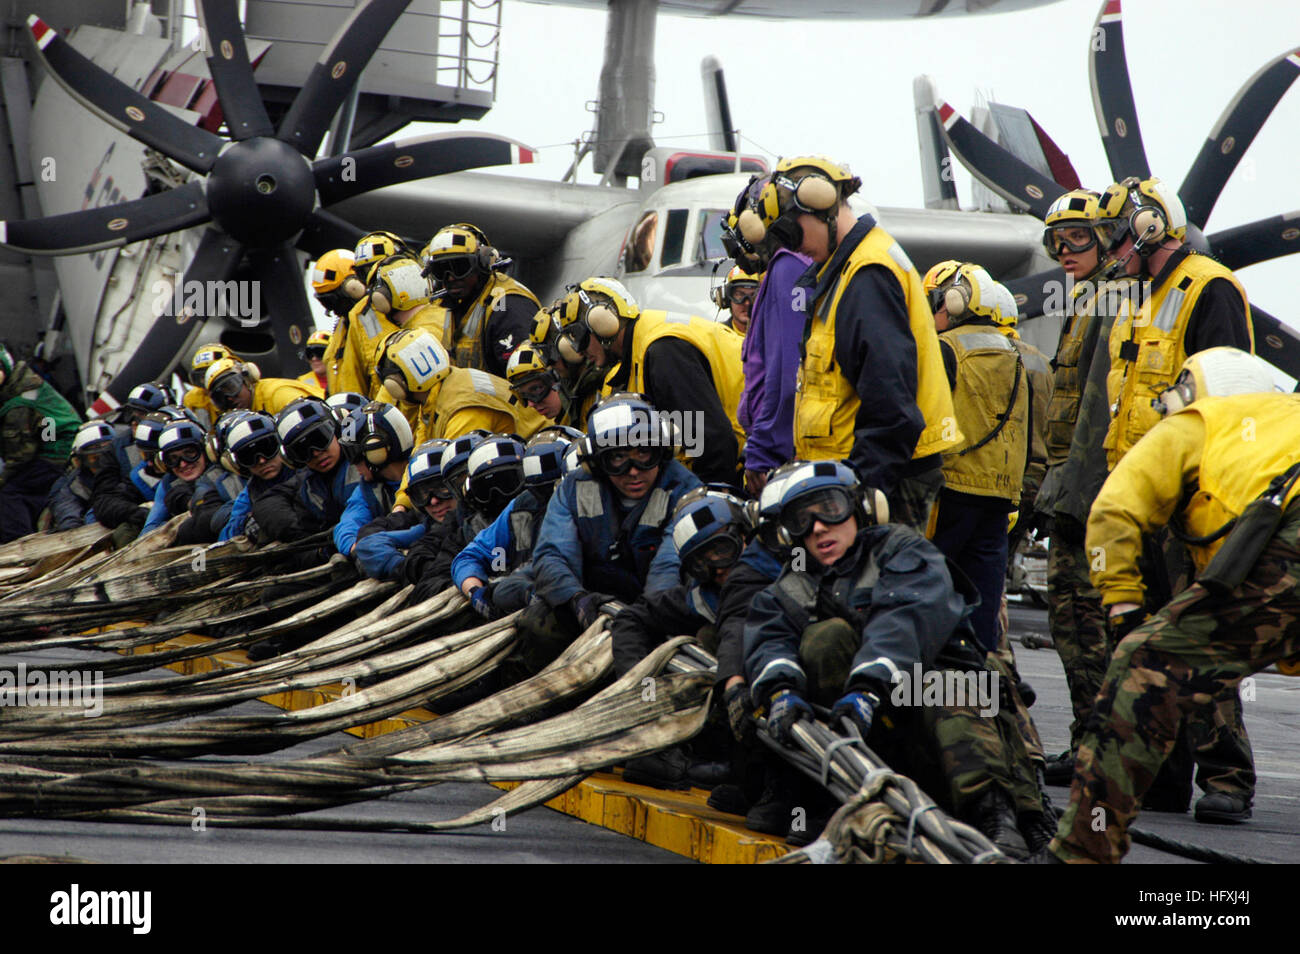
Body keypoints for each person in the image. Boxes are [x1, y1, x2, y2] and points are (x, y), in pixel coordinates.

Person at [1045, 348, 1297, 863]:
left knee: (1144, 665)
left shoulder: (1197, 422)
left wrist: (1123, 607)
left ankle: (1081, 852)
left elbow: (1113, 511)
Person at [742, 459, 1043, 857]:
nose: (818, 528)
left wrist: (868, 689)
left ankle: (995, 818)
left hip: (942, 725)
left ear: (861, 507)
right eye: (801, 519)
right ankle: (825, 801)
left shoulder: (903, 550)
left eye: (829, 509)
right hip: (874, 741)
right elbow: (768, 637)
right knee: (823, 639)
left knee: (952, 688)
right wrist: (780, 691)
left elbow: (905, 616)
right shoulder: (791, 585)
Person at [1093, 176, 1257, 821]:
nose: (1106, 247)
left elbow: (1227, 397)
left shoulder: (1207, 286)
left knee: (1201, 638)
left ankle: (1227, 779)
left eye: (1113, 234)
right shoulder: (1140, 297)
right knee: (1143, 641)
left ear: (1149, 227)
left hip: (1191, 502)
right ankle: (1159, 780)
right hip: (1143, 496)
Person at [734, 156, 960, 530]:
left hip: (880, 478)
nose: (794, 249)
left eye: (792, 234)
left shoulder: (866, 275)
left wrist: (857, 495)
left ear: (821, 206)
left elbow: (891, 404)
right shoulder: (842, 270)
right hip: (856, 472)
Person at [1031, 189, 1120, 784]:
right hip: (1075, 485)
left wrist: (1072, 498)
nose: (1065, 250)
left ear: (1108, 238)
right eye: (1057, 241)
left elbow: (1095, 411)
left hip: (1089, 495)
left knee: (1080, 620)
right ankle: (1095, 747)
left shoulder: (1110, 302)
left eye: (1079, 238)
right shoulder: (1088, 301)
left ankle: (1097, 751)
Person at [527, 394, 702, 670]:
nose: (633, 471)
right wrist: (576, 599)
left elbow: (669, 565)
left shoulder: (685, 490)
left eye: (644, 453)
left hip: (659, 609)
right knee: (537, 620)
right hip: (593, 604)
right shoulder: (573, 488)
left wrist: (642, 622)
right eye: (618, 458)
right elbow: (552, 554)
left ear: (663, 451)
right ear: (597, 462)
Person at [925, 262, 1031, 653]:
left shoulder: (945, 348)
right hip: (1000, 496)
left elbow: (924, 417)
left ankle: (929, 687)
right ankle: (979, 688)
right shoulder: (1015, 352)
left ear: (951, 303)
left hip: (951, 490)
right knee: (983, 603)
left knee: (931, 590)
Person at [557, 277, 745, 487]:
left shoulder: (664, 353)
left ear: (602, 323)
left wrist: (699, 502)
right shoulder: (641, 350)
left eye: (579, 337)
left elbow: (713, 445)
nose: (578, 350)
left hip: (754, 465)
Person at [722, 178, 813, 498]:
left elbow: (785, 373)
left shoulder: (787, 269)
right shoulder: (791, 269)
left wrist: (760, 450)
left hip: (782, 456)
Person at [452, 427, 581, 617]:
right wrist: (475, 592)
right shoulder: (522, 505)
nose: (552, 500)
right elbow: (469, 557)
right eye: (541, 491)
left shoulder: (593, 507)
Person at [372, 329, 549, 449]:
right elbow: (421, 452)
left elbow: (452, 469)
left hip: (540, 451)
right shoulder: (442, 388)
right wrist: (402, 502)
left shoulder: (460, 410)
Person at [420, 223, 539, 377]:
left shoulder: (505, 306)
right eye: (441, 270)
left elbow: (527, 377)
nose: (450, 277)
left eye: (460, 267)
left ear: (481, 263)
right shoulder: (458, 303)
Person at [0, 343, 81, 541]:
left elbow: (21, 455)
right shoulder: (17, 386)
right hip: (48, 444)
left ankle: (17, 545)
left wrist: (2, 479)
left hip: (56, 451)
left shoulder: (19, 402)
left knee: (9, 493)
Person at [333, 402, 415, 558]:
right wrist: (355, 547)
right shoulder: (368, 488)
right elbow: (347, 525)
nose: (352, 464)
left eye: (355, 455)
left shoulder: (423, 472)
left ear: (376, 451)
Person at [205, 357, 317, 418]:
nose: (229, 398)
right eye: (220, 397)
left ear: (248, 378)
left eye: (231, 387)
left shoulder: (277, 395)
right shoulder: (247, 414)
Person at [183, 343, 234, 429]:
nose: (209, 384)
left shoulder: (243, 394)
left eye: (216, 375)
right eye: (203, 377)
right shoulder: (192, 398)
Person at [712, 264, 761, 336]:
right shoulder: (717, 336)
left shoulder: (774, 337)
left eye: (753, 296)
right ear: (727, 298)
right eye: (739, 295)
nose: (747, 303)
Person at [298, 330, 330, 395]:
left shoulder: (347, 378)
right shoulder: (301, 383)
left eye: (319, 353)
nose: (314, 358)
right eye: (309, 354)